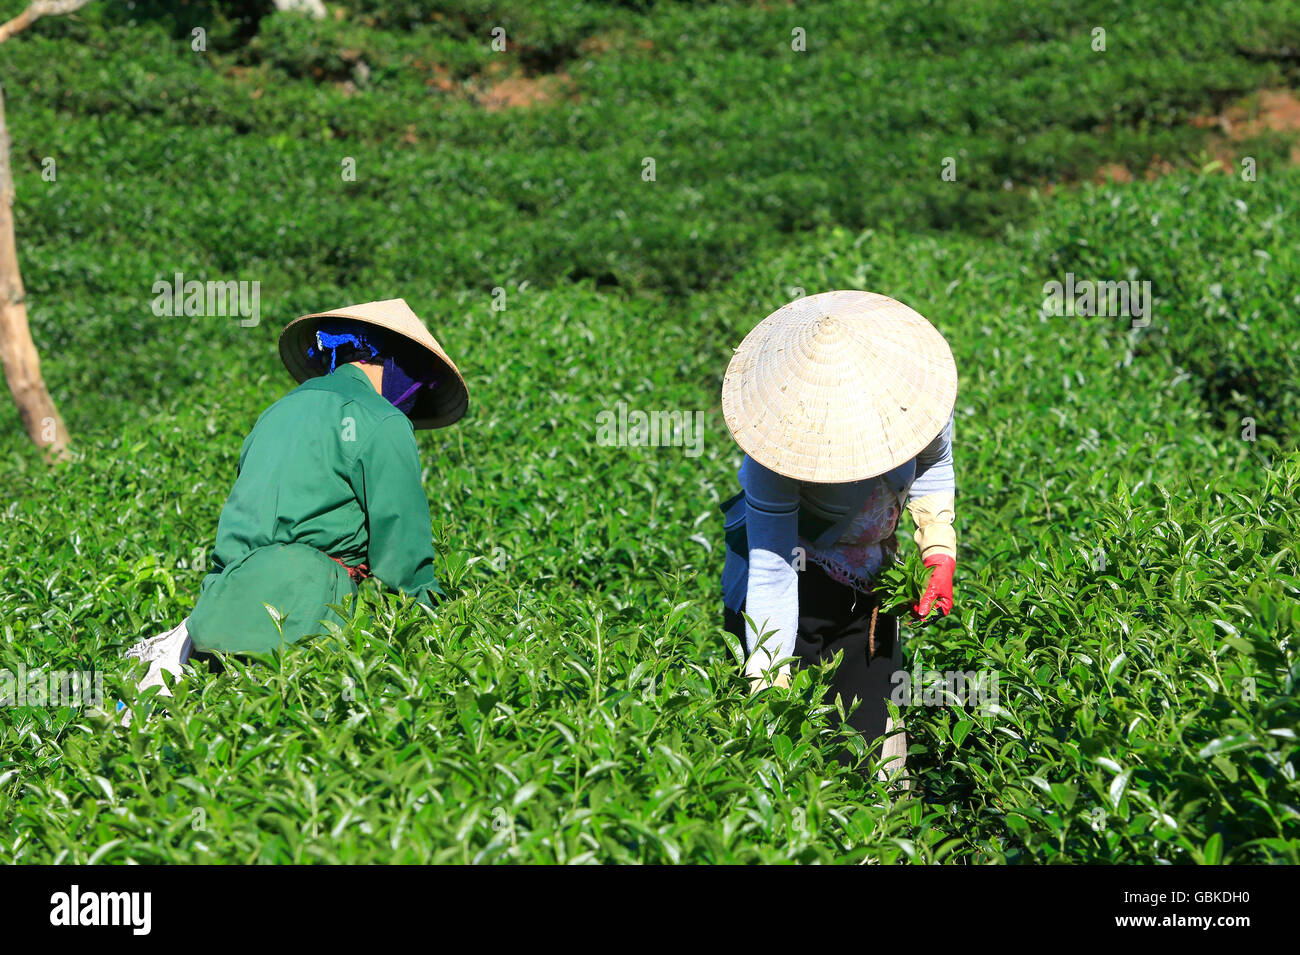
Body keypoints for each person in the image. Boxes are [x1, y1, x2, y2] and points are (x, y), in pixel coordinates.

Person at [123, 298, 468, 703]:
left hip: (217, 619)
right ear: (395, 361)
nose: (416, 394)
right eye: (420, 378)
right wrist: (447, 639)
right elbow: (405, 569)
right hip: (306, 618)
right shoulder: (382, 422)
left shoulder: (275, 414)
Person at [719, 290, 958, 781]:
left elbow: (935, 464)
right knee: (792, 752)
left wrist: (938, 549)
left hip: (870, 581)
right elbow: (773, 572)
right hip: (797, 583)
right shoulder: (775, 460)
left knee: (860, 742)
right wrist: (770, 680)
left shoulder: (914, 400)